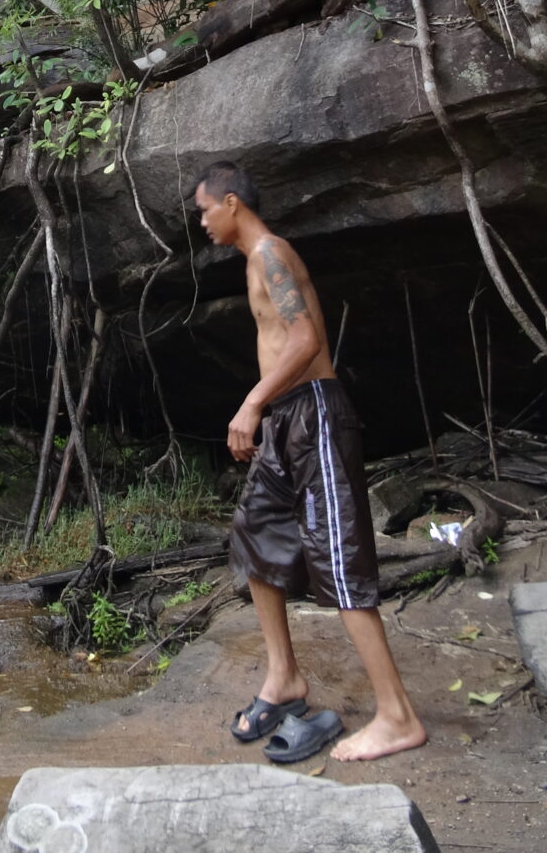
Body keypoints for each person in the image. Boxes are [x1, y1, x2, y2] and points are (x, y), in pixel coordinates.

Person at [195, 160, 427, 765]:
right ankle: (285, 678)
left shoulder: (270, 253)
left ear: (231, 203)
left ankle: (398, 717)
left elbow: (306, 341)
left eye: (204, 210)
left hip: (316, 414)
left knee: (340, 559)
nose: (202, 222)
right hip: (288, 419)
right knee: (254, 535)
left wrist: (250, 404)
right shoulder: (255, 261)